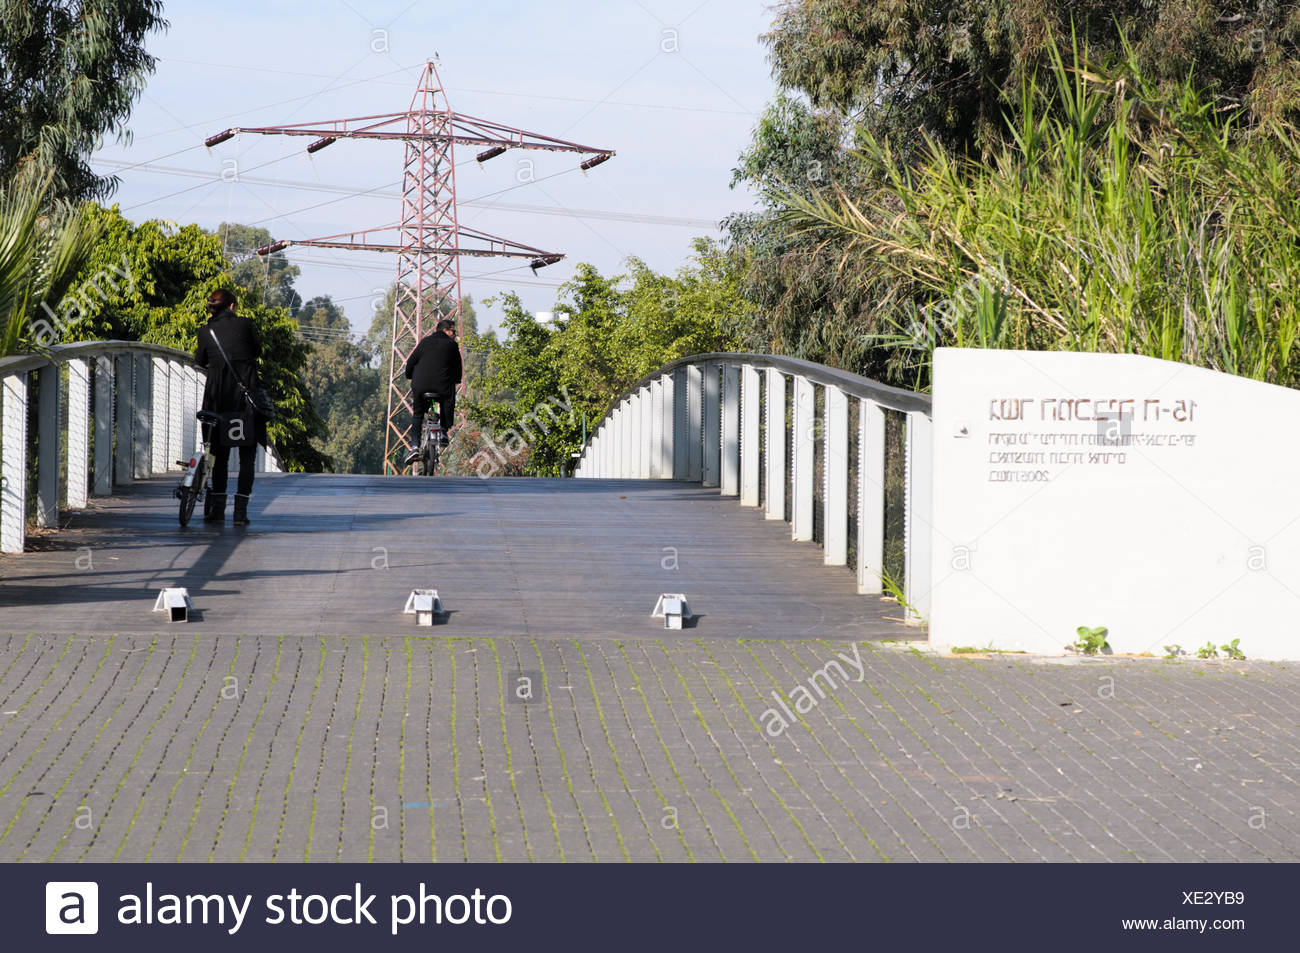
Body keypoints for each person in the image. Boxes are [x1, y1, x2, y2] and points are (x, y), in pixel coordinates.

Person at [194, 288, 263, 525]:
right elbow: (256, 351)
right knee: (246, 458)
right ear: (232, 306)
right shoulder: (245, 325)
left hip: (217, 403)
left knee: (220, 458)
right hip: (243, 403)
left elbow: (199, 360)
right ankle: (240, 514)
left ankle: (217, 511)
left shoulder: (205, 331)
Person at [403, 317, 462, 465]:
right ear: (445, 330)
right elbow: (458, 369)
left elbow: (410, 363)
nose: (455, 335)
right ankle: (443, 431)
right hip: (442, 386)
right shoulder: (452, 345)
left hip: (420, 385)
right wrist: (456, 379)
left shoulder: (425, 342)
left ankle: (414, 447)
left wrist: (409, 375)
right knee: (448, 398)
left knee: (417, 414)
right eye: (453, 331)